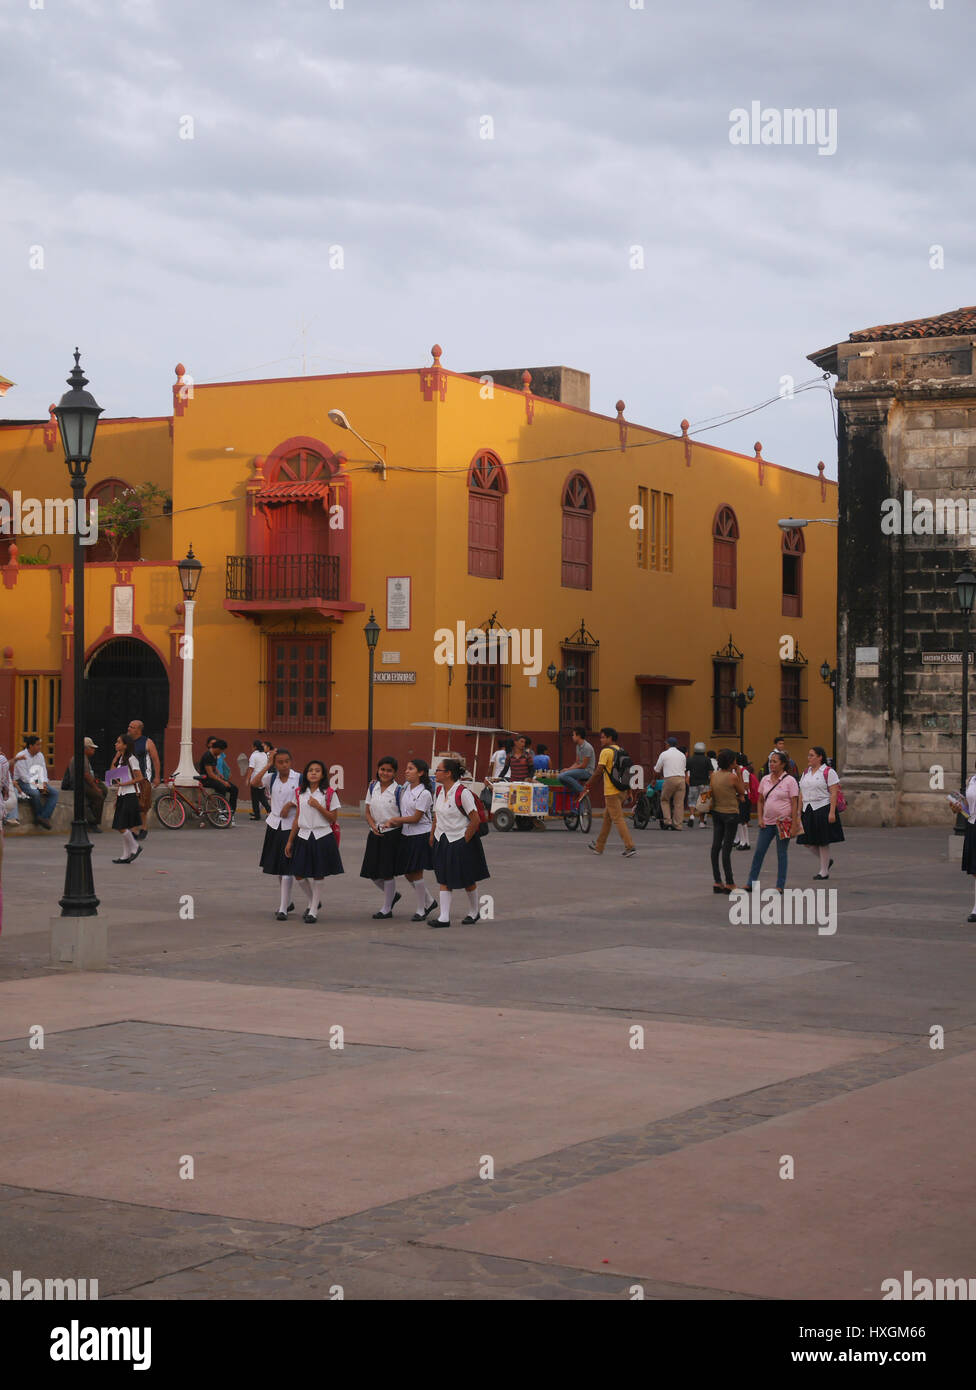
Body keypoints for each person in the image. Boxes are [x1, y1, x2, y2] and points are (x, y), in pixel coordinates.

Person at [430, 759, 489, 926]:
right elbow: (436, 815)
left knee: (467, 879)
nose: (436, 773)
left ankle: (474, 911)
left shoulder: (462, 793)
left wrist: (465, 840)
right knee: (443, 878)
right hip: (442, 839)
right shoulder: (439, 791)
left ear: (448, 773)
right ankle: (444, 917)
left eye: (438, 770)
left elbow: (475, 819)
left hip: (460, 840)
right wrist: (432, 835)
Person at [285, 759, 343, 923]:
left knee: (319, 873)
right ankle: (314, 901)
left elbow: (333, 818)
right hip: (303, 836)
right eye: (310, 770)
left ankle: (313, 911)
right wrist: (290, 841)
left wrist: (318, 805)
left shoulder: (330, 793)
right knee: (298, 873)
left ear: (323, 774)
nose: (313, 773)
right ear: (306, 773)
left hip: (322, 835)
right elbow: (296, 818)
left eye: (317, 770)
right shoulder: (299, 792)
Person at [742, 750, 801, 894]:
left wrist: (794, 824)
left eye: (775, 761)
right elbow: (761, 801)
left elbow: (794, 803)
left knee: (781, 853)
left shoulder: (790, 781)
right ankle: (751, 882)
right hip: (767, 822)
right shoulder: (765, 779)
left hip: (783, 822)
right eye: (771, 761)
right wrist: (760, 818)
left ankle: (780, 885)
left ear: (783, 764)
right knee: (759, 852)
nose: (772, 764)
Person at [387, 758, 438, 920]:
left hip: (420, 835)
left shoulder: (424, 793)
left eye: (411, 768)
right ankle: (429, 901)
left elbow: (416, 818)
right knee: (408, 873)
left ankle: (421, 909)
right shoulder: (406, 788)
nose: (406, 771)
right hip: (406, 835)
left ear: (421, 773)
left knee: (416, 872)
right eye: (406, 768)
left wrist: (396, 820)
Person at [258, 746, 303, 920]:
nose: (283, 765)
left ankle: (283, 908)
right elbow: (254, 783)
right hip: (274, 825)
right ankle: (288, 901)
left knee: (287, 868)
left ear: (291, 762)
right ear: (275, 764)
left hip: (291, 826)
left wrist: (291, 804)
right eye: (279, 762)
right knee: (278, 867)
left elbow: (304, 796)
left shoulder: (298, 778)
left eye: (286, 762)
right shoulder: (272, 777)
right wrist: (267, 764)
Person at [360, 756, 404, 919]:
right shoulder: (373, 787)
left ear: (394, 773)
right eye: (382, 769)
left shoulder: (399, 790)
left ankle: (387, 908)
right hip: (375, 833)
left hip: (392, 835)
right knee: (372, 873)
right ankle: (392, 895)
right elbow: (367, 811)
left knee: (387, 873)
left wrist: (392, 825)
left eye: (389, 770)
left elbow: (403, 815)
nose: (385, 773)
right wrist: (372, 825)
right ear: (378, 770)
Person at [585, 727, 637, 857]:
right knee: (607, 819)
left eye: (603, 737)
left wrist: (588, 784)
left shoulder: (606, 752)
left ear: (610, 738)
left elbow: (598, 771)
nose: (601, 740)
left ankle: (630, 846)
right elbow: (627, 773)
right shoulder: (622, 751)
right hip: (622, 790)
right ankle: (599, 846)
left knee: (618, 819)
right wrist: (629, 791)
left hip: (611, 792)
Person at [797, 745, 844, 879]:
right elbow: (801, 792)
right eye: (809, 755)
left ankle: (824, 871)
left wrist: (832, 812)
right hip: (808, 808)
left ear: (820, 757)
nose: (809, 758)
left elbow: (834, 793)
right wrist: (799, 811)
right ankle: (827, 860)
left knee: (823, 841)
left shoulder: (828, 772)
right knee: (806, 841)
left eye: (812, 755)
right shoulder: (806, 772)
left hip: (823, 807)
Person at [708, 749, 745, 894]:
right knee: (727, 848)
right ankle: (730, 882)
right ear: (731, 762)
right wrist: (739, 772)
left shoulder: (714, 776)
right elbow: (742, 790)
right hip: (730, 814)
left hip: (717, 812)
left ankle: (717, 881)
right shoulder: (732, 777)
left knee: (715, 846)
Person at [108, 734, 146, 864]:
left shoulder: (131, 759)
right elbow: (112, 773)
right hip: (122, 794)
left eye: (119, 742)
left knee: (121, 825)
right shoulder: (122, 759)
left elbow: (140, 777)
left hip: (130, 794)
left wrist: (124, 784)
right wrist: (117, 755)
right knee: (122, 826)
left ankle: (135, 847)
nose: (116, 744)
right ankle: (125, 854)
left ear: (125, 745)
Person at [13, 735, 58, 829]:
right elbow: (24, 777)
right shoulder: (21, 756)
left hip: (36, 781)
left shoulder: (40, 755)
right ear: (30, 746)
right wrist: (38, 785)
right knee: (35, 793)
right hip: (22, 782)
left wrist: (44, 782)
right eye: (37, 745)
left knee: (54, 793)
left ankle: (43, 817)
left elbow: (43, 770)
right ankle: (40, 816)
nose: (40, 747)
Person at [126, 719, 160, 840]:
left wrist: (157, 777)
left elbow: (155, 759)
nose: (129, 728)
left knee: (142, 805)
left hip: (144, 778)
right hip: (129, 778)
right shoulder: (126, 742)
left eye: (132, 727)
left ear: (139, 729)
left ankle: (142, 828)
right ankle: (135, 829)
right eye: (129, 726)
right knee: (132, 804)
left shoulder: (147, 742)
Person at [65, 737, 106, 832]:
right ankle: (93, 822)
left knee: (104, 790)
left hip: (86, 782)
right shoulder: (81, 758)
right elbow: (86, 775)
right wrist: (95, 787)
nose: (93, 750)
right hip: (80, 783)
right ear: (85, 748)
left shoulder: (85, 758)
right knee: (98, 797)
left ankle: (92, 816)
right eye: (91, 748)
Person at [950, 770, 976, 921]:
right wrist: (958, 807)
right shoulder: (971, 780)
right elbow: (968, 809)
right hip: (973, 826)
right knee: (975, 870)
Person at [199, 736, 239, 824]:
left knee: (234, 789)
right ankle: (221, 811)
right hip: (206, 780)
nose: (222, 752)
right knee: (222, 787)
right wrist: (223, 782)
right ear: (216, 748)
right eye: (221, 750)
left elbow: (214, 768)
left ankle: (230, 812)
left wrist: (220, 775)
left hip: (213, 778)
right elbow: (210, 774)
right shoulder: (207, 756)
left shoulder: (215, 755)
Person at [654, 737, 687, 831]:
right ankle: (678, 825)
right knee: (679, 803)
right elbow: (684, 769)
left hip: (670, 779)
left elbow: (657, 770)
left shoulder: (664, 754)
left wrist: (654, 780)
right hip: (681, 779)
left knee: (664, 800)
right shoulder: (682, 755)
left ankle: (667, 821)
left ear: (668, 744)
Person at [558, 727, 596, 797]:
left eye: (573, 735)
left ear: (578, 736)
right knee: (560, 777)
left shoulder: (587, 747)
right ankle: (578, 793)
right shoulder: (578, 746)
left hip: (587, 772)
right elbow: (577, 762)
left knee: (563, 776)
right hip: (580, 770)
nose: (572, 737)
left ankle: (582, 791)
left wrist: (568, 770)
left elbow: (583, 765)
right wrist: (567, 769)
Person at [686, 742, 713, 828]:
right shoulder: (707, 760)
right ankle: (701, 822)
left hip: (693, 784)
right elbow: (711, 772)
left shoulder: (690, 759)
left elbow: (685, 771)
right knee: (703, 803)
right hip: (705, 784)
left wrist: (687, 779)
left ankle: (692, 815)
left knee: (692, 801)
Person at [733, 751, 755, 852]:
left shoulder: (743, 771)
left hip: (744, 796)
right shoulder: (739, 770)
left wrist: (739, 790)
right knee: (740, 821)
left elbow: (746, 785)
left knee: (742, 821)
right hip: (741, 796)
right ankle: (743, 841)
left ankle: (745, 842)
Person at [247, 738, 272, 820]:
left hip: (256, 778)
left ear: (254, 747)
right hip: (264, 778)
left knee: (255, 797)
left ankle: (257, 814)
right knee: (261, 796)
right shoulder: (264, 755)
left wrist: (247, 779)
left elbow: (251, 768)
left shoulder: (254, 755)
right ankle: (269, 810)